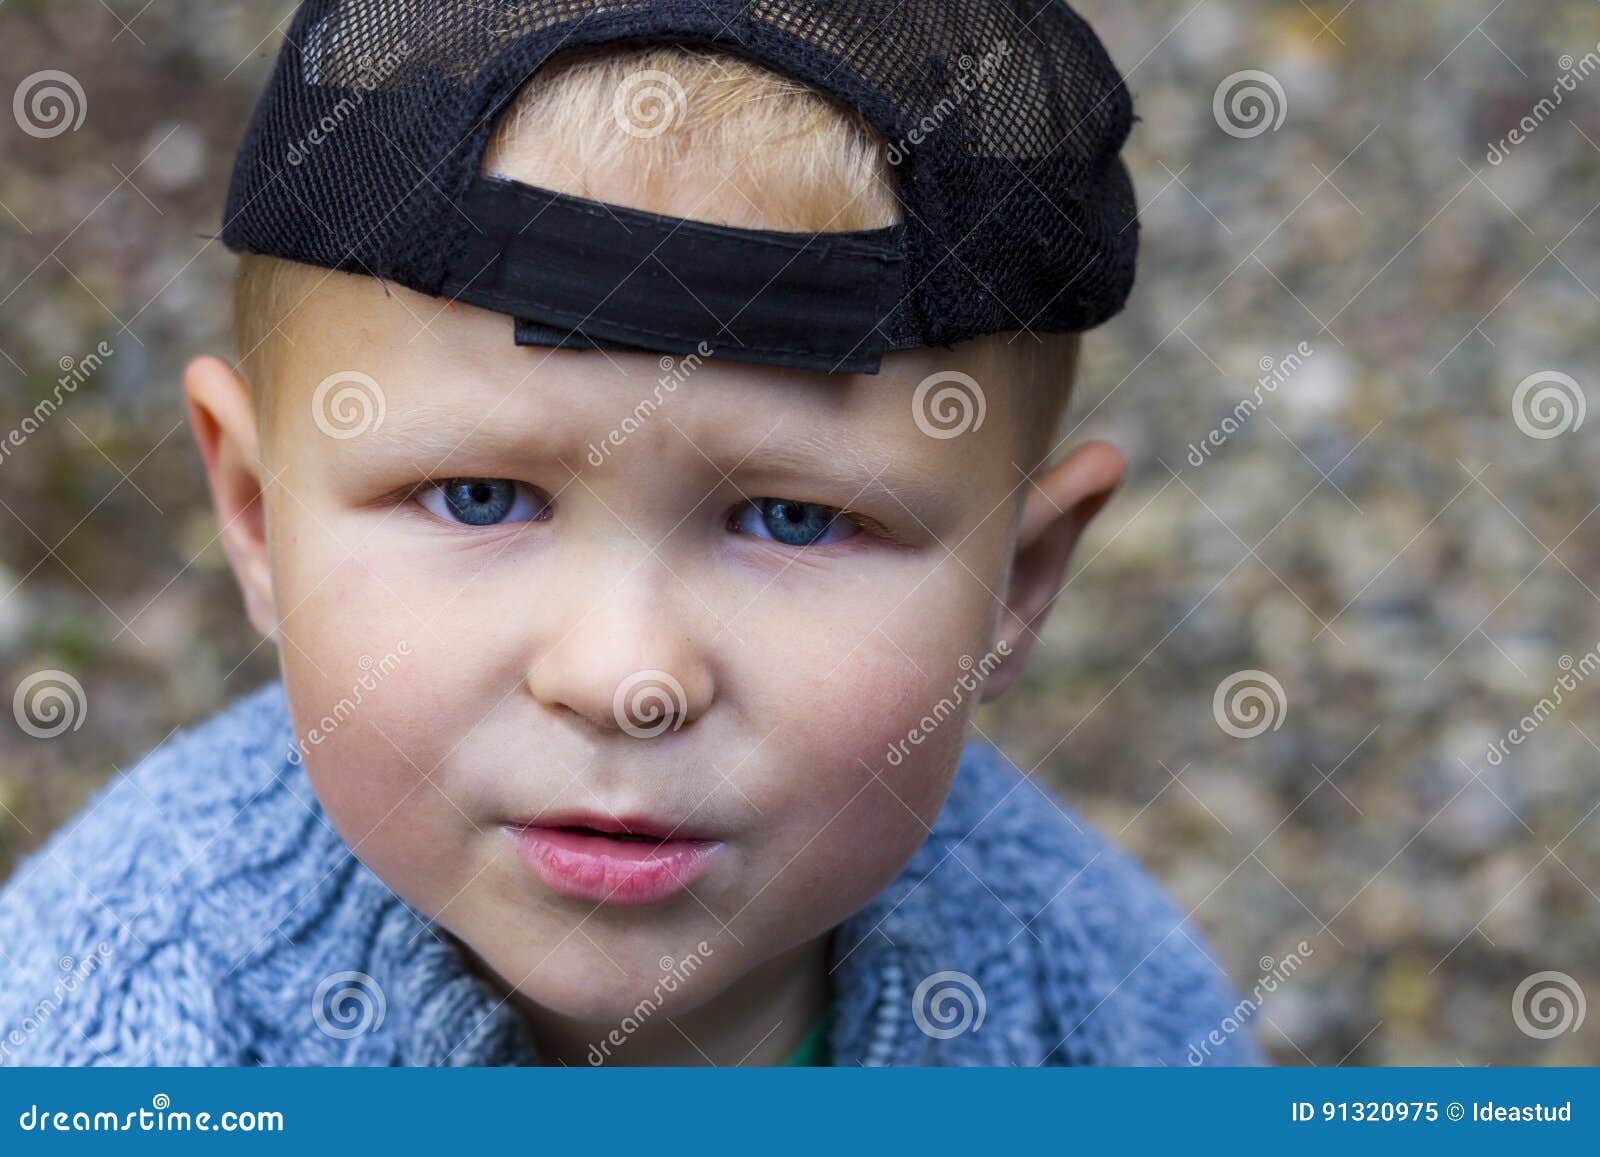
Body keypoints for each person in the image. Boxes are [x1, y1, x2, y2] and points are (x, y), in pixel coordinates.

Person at [0, 1, 1262, 1067]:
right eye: (477, 496)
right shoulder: (93, 1036)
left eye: (795, 517)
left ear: (1019, 582)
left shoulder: (1112, 1012)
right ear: (257, 517)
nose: (628, 680)